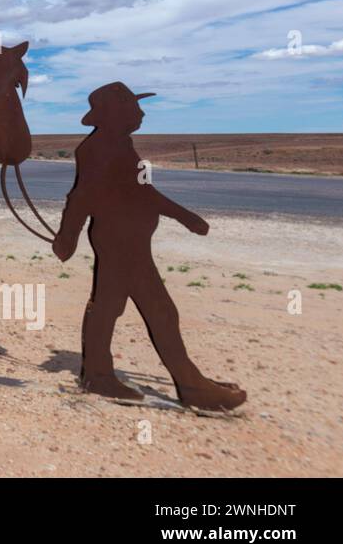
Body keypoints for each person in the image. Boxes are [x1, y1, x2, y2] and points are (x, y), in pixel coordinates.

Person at [53, 82, 246, 411]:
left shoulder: (119, 144)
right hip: (120, 240)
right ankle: (190, 385)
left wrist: (185, 217)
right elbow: (84, 194)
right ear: (116, 112)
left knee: (110, 306)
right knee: (158, 310)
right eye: (133, 107)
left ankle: (100, 376)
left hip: (128, 239)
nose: (140, 113)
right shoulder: (100, 147)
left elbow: (142, 191)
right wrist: (68, 234)